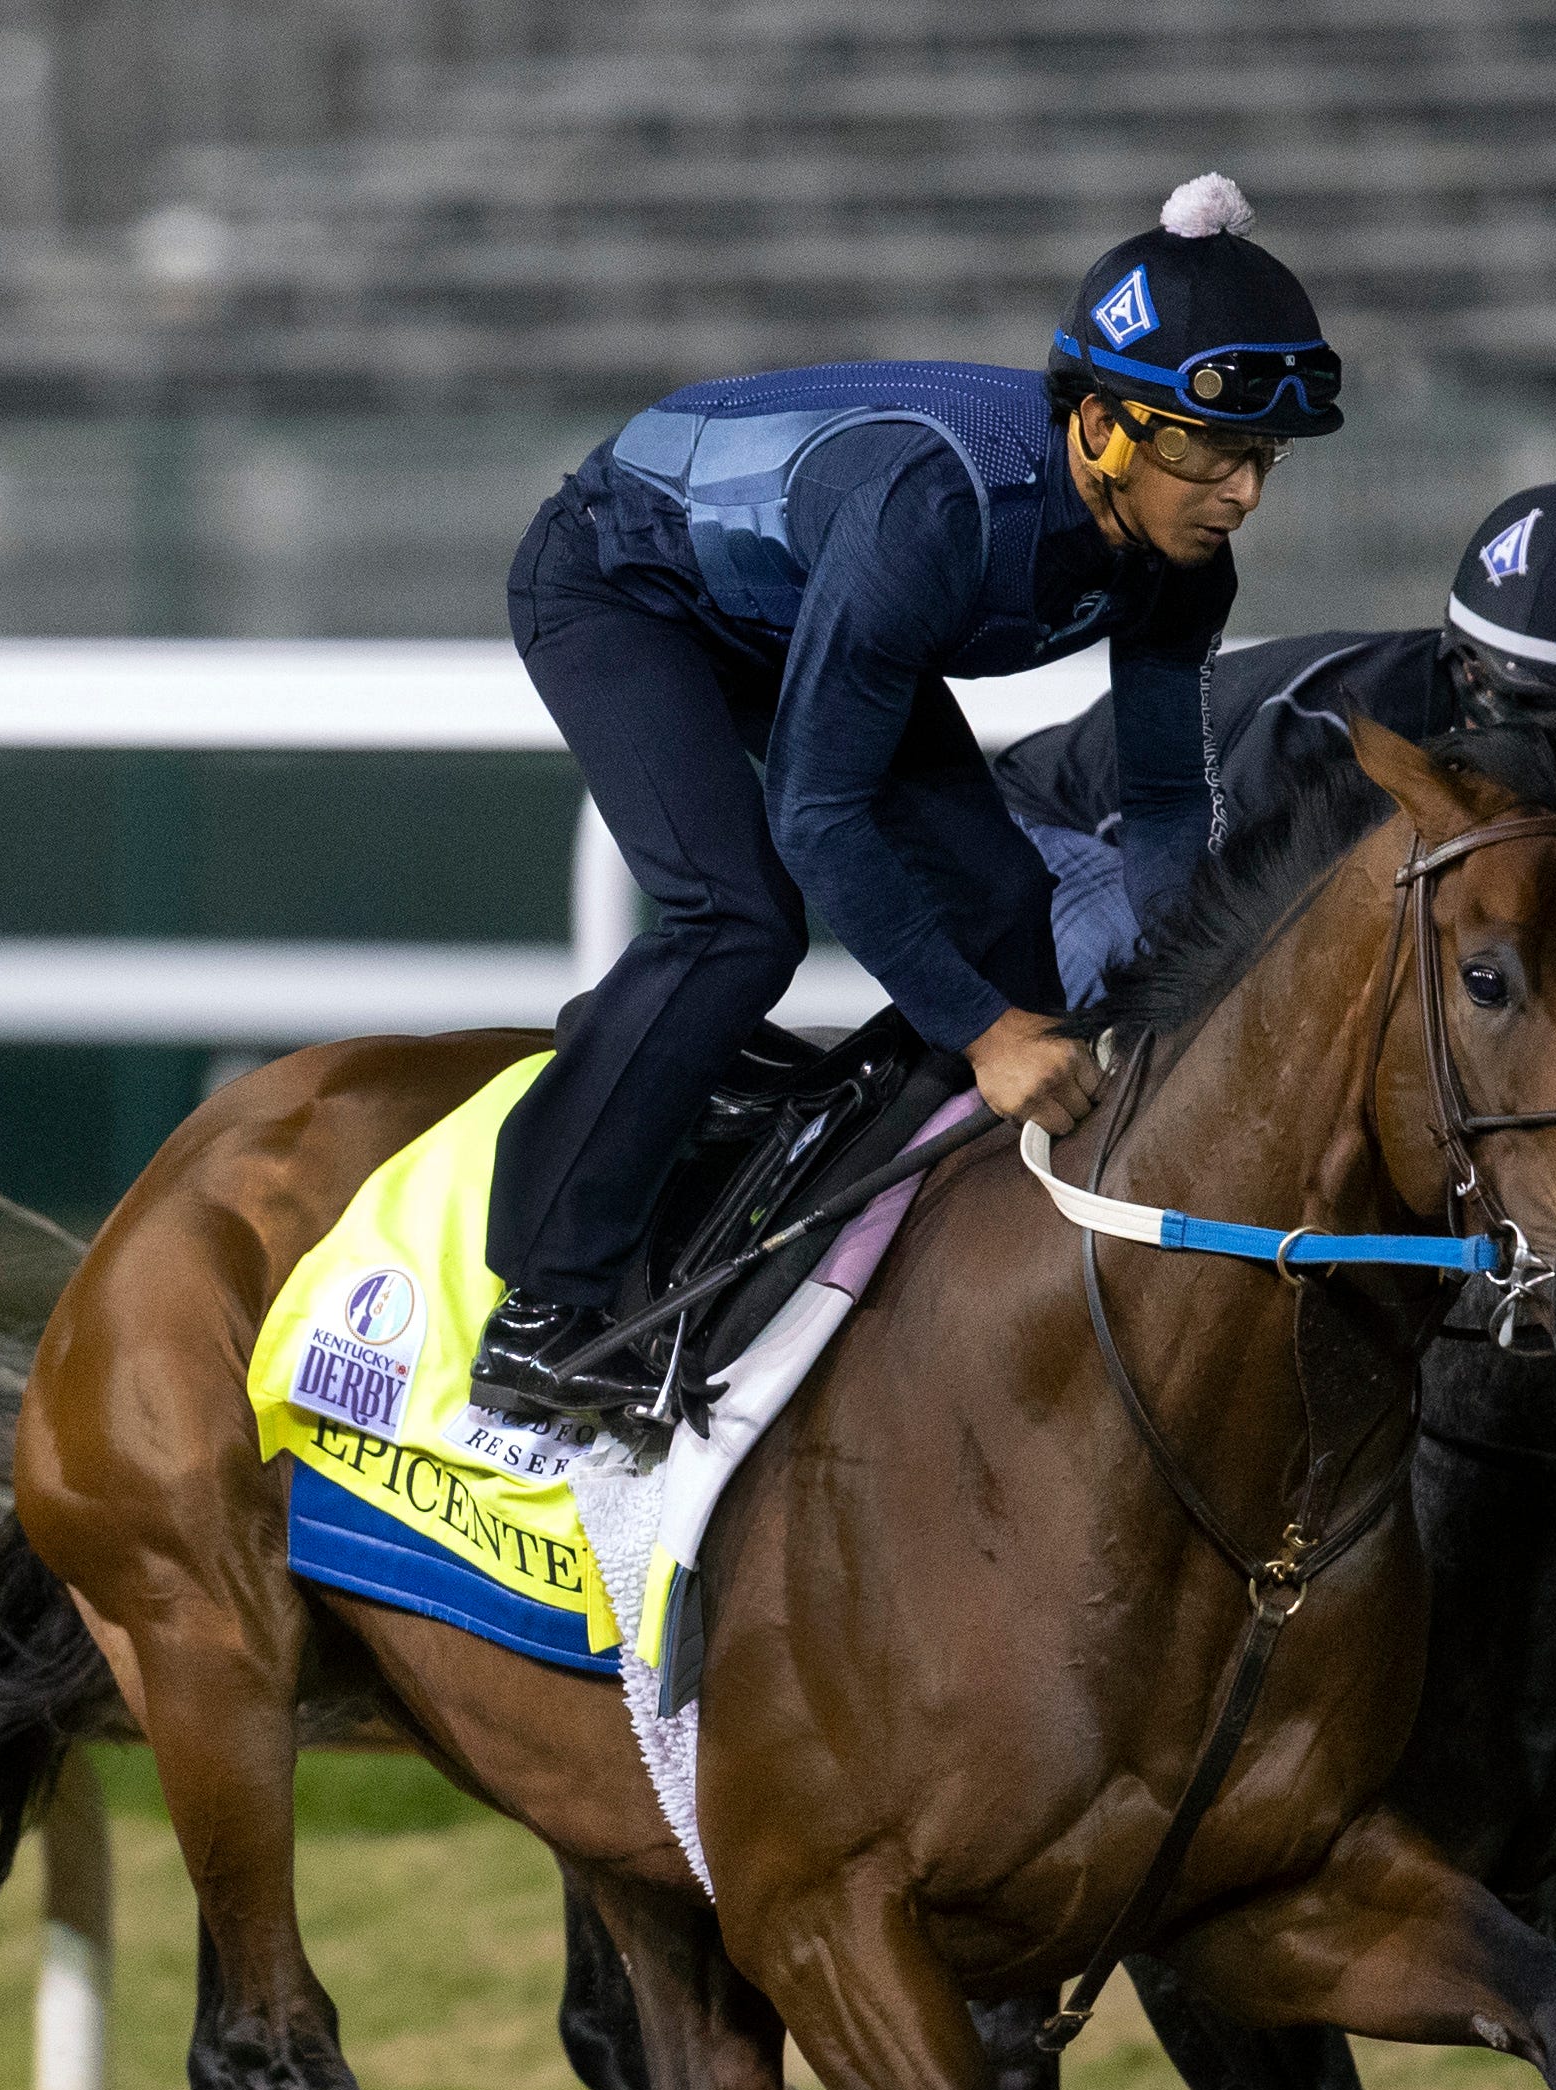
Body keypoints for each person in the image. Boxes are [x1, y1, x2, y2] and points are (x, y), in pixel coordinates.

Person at [474, 171, 1345, 1425]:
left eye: (1260, 457)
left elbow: (1162, 804)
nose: (1242, 493)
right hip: (622, 586)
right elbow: (816, 814)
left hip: (797, 606)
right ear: (1099, 426)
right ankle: (540, 1304)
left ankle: (926, 1230)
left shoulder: (1180, 559)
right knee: (740, 920)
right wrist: (992, 1040)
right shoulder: (936, 518)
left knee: (1004, 910)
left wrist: (1188, 988)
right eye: (1209, 450)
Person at [995, 480, 1556, 1001]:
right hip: (1055, 832)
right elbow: (1200, 931)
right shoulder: (1320, 734)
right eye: (1544, 712)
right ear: (1462, 666)